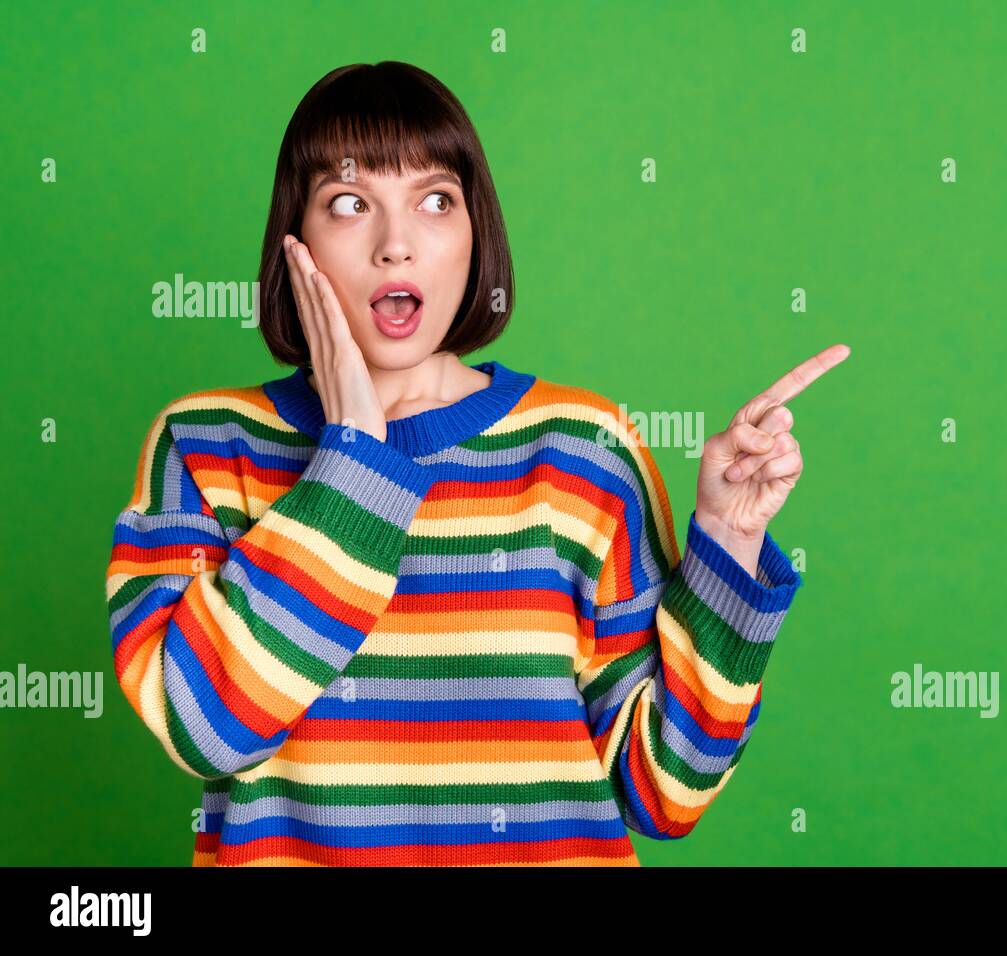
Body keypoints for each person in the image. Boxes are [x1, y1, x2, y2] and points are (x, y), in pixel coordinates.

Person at [105, 60, 850, 866]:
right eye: (350, 204)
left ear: (475, 234)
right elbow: (200, 727)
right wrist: (351, 460)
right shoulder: (206, 445)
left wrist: (729, 546)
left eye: (435, 201)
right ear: (296, 243)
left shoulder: (586, 448)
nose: (396, 245)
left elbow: (663, 793)